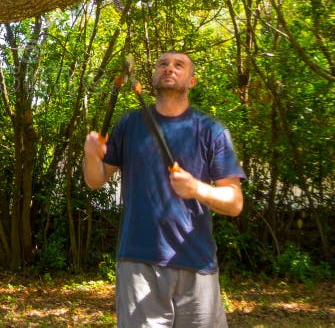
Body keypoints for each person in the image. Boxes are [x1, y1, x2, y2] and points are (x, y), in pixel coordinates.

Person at [83, 51, 245, 327]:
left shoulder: (211, 131)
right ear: (155, 76)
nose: (169, 68)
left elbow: (234, 202)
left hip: (197, 263)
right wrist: (90, 155)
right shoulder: (130, 124)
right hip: (138, 263)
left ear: (191, 81)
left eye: (178, 65)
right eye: (163, 64)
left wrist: (196, 189)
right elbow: (95, 181)